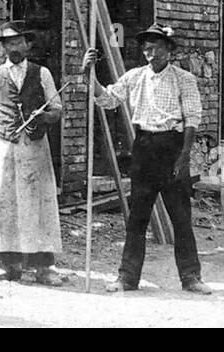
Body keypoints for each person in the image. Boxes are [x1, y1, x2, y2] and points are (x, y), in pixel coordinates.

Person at [82, 23, 212, 295]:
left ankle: (191, 277)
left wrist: (184, 156)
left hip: (173, 148)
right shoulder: (134, 77)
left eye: (155, 49)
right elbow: (108, 100)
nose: (149, 54)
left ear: (168, 50)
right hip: (144, 147)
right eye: (146, 49)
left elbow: (192, 119)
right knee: (137, 217)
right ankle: (127, 278)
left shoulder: (183, 79)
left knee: (181, 217)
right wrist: (89, 76)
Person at [0, 21, 63, 285]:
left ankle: (44, 267)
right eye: (8, 44)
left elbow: (57, 110)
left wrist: (44, 116)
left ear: (28, 44)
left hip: (35, 148)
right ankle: (8, 265)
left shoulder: (42, 73)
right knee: (6, 203)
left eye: (18, 43)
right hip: (4, 147)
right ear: (4, 47)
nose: (13, 48)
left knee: (39, 204)